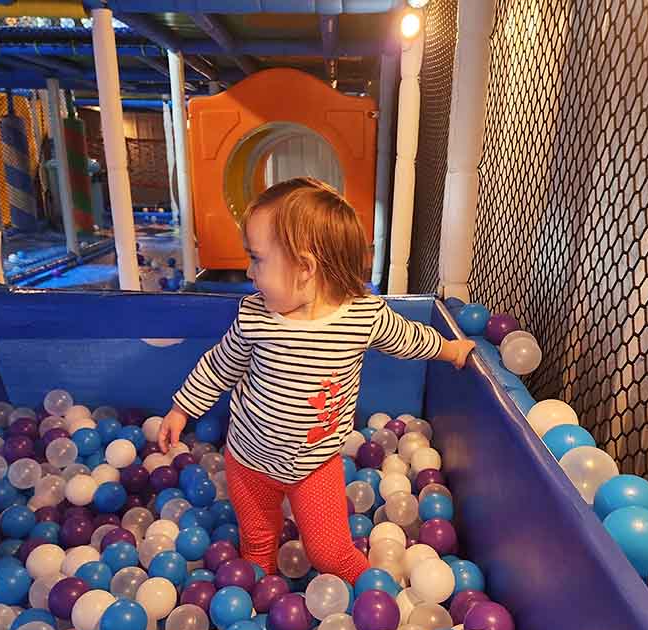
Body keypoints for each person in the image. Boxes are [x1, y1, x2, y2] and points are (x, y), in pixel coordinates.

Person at [158, 178, 474, 584]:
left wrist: (451, 350)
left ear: (304, 268)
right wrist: (182, 409)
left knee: (331, 553)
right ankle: (260, 607)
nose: (249, 272)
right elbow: (220, 365)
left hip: (313, 466)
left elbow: (407, 339)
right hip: (250, 462)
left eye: (257, 259)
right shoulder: (256, 317)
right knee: (257, 546)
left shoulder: (362, 316)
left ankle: (378, 597)